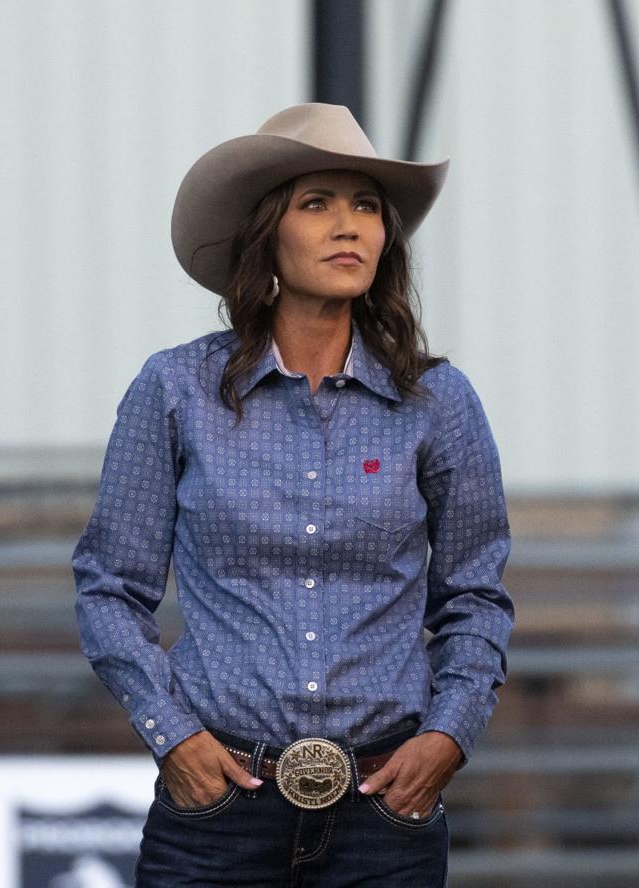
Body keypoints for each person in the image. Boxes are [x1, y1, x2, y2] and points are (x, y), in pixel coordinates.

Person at [74, 103, 513, 886]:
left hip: (386, 810)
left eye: (366, 207)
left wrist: (449, 735)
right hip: (217, 808)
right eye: (317, 204)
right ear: (267, 235)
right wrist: (171, 735)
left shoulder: (438, 402)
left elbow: (475, 595)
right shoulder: (176, 389)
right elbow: (110, 586)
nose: (348, 226)